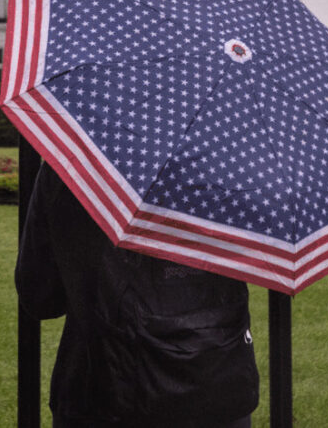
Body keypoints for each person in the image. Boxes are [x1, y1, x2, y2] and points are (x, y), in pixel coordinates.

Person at [17, 162, 259, 427]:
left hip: (103, 391)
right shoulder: (229, 158)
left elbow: (40, 297)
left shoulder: (74, 158)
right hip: (219, 380)